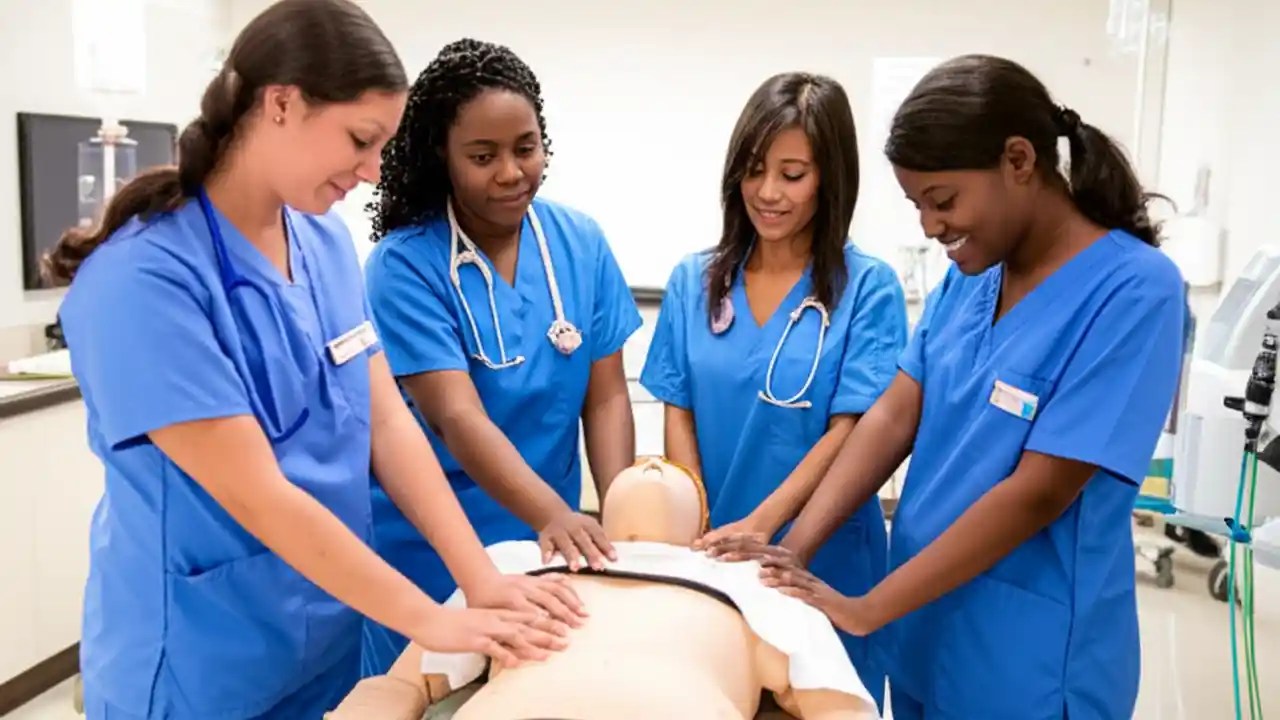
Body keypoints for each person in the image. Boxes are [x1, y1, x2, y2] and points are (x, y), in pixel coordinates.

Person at [45, 3, 578, 718]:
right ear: (282, 104)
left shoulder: (323, 245)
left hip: (324, 637)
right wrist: (432, 619)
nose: (369, 172)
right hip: (197, 662)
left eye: (382, 146)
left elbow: (389, 424)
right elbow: (258, 492)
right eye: (359, 140)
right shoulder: (143, 280)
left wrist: (477, 577)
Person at [703, 55, 1186, 720]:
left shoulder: (1135, 291)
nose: (930, 227)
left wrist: (869, 607)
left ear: (1019, 160)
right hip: (926, 630)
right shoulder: (970, 278)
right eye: (917, 205)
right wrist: (795, 549)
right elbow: (892, 418)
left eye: (943, 200)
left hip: (1031, 660)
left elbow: (1040, 490)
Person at [361, 38, 642, 676]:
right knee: (421, 692)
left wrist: (619, 515)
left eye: (526, 148)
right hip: (433, 549)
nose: (512, 173)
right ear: (443, 155)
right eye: (482, 157)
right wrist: (553, 514)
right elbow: (456, 418)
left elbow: (606, 396)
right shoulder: (405, 265)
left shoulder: (580, 242)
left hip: (548, 548)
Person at [639, 71, 908, 713]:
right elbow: (679, 407)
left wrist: (766, 528)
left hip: (824, 559)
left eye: (793, 174)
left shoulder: (868, 289)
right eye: (755, 169)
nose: (767, 193)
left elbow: (852, 432)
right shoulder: (696, 279)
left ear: (831, 177)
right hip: (712, 557)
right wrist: (696, 516)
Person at [330, 457, 880, 720]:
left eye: (666, 466)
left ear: (703, 527)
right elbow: (403, 685)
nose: (653, 463)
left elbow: (835, 707)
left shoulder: (750, 576)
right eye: (642, 461)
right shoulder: (513, 562)